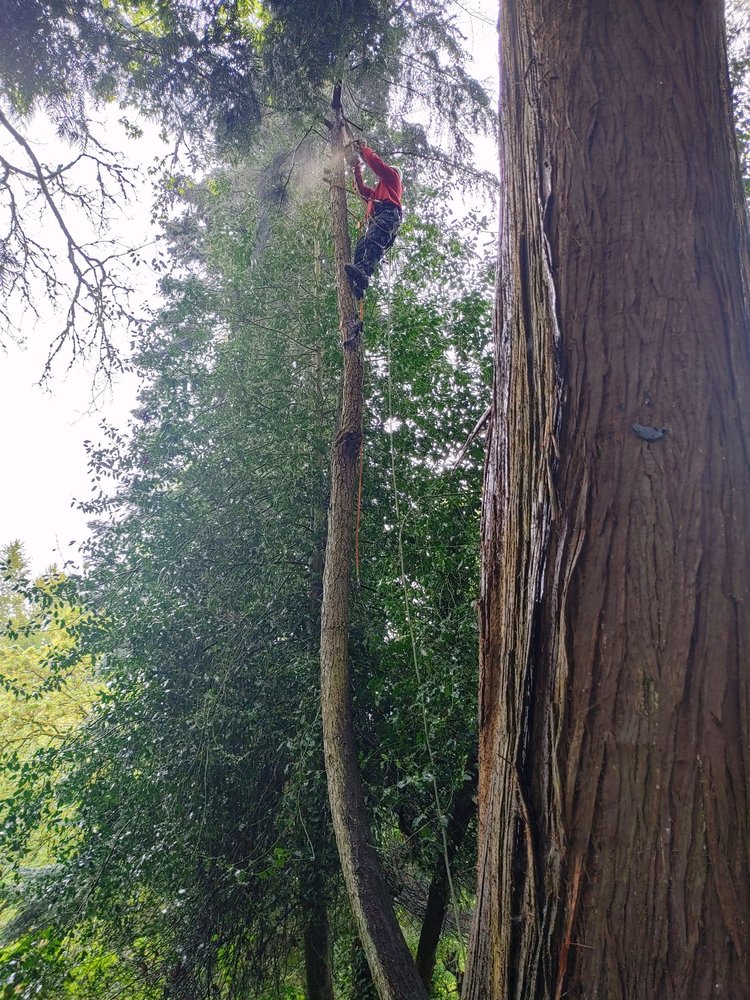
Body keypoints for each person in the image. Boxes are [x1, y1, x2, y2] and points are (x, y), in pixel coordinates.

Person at [344, 140, 402, 300]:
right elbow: (361, 189)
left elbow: (376, 164)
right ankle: (358, 283)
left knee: (372, 241)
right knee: (362, 245)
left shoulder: (393, 178)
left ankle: (364, 273)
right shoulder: (377, 193)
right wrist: (356, 166)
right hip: (378, 219)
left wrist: (362, 149)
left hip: (387, 214)